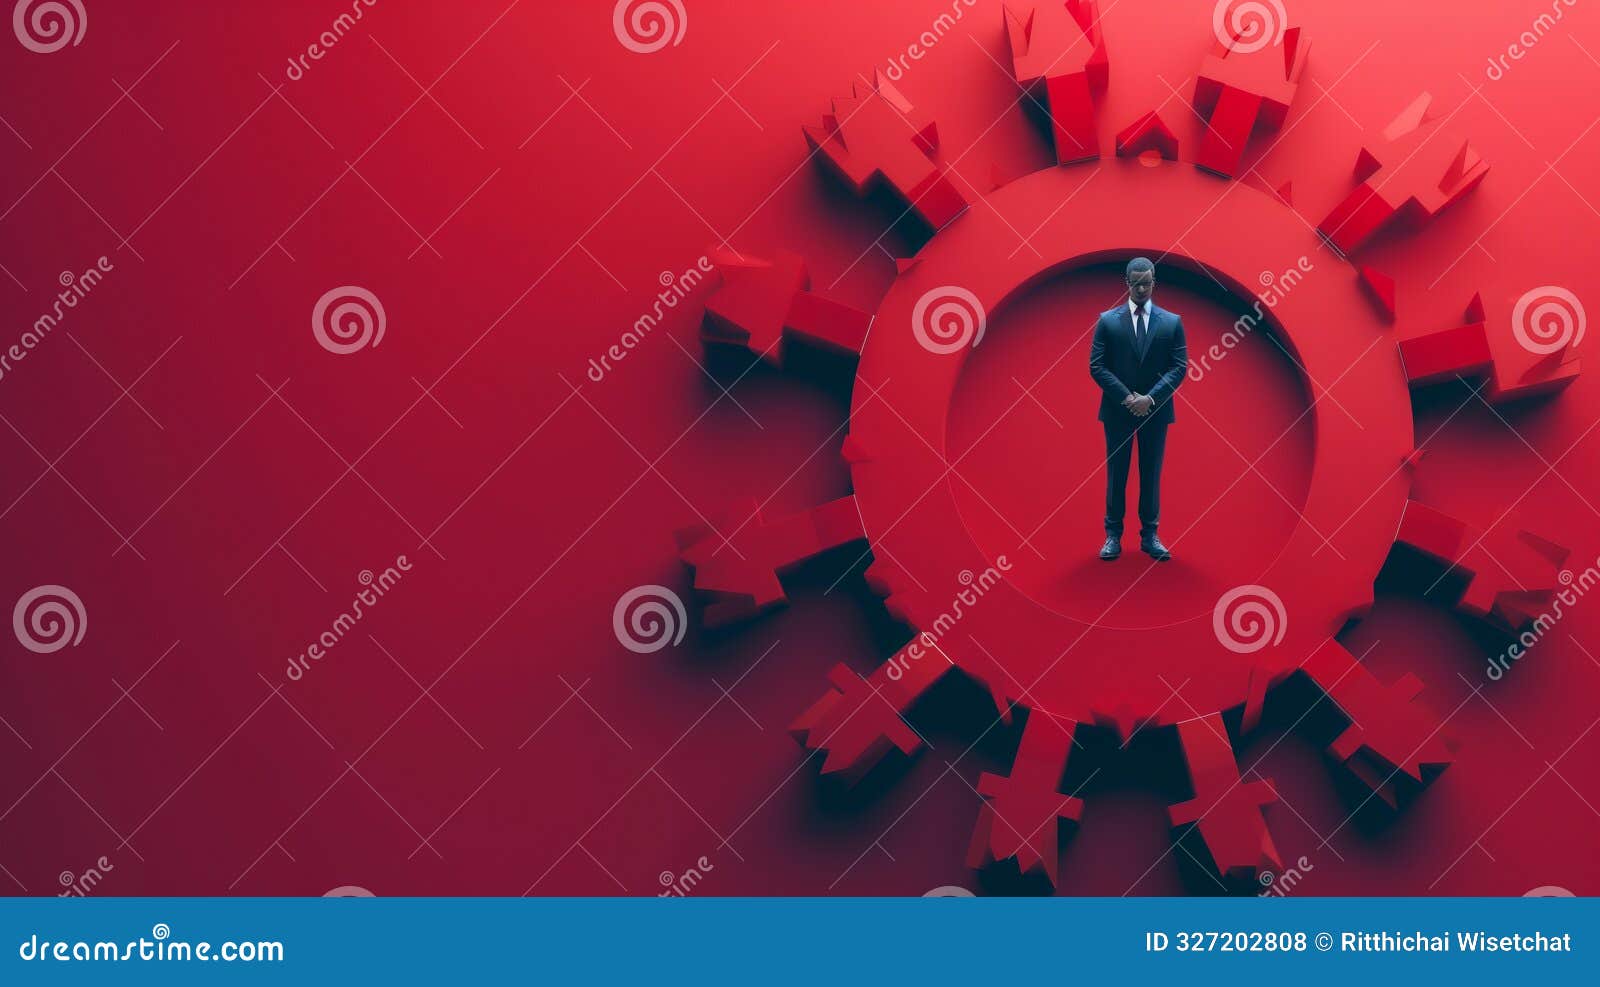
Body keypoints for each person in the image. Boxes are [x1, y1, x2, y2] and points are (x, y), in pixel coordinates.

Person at [1087, 257, 1187, 561]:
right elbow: (1097, 366)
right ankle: (1112, 537)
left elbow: (1179, 367)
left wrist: (1150, 399)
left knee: (1150, 474)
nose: (1141, 288)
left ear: (1154, 281)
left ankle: (1150, 536)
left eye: (1146, 282)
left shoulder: (1172, 322)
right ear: (1126, 283)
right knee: (1117, 474)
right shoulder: (1107, 321)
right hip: (1118, 412)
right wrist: (1128, 398)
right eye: (1136, 283)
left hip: (1156, 412)